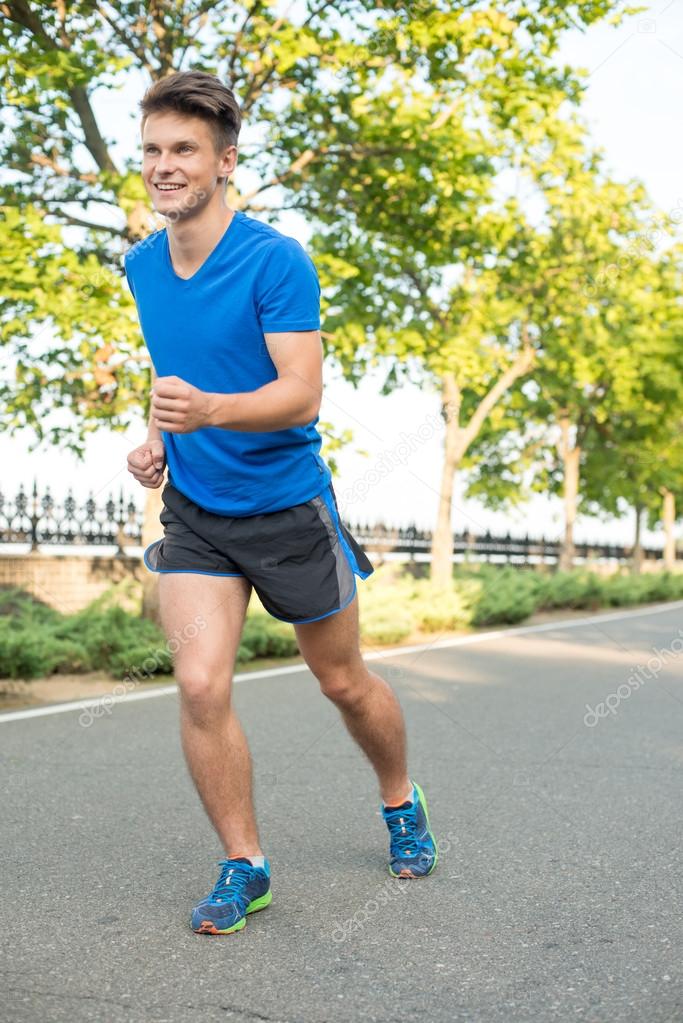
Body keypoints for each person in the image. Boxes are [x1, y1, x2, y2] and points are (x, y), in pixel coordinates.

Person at [124, 70, 437, 936]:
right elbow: (177, 371)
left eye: (183, 150)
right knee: (197, 681)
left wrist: (212, 410)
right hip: (197, 511)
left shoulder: (273, 259)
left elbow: (300, 394)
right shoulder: (143, 264)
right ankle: (244, 864)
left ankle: (400, 799)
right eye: (151, 149)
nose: (163, 166)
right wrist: (161, 435)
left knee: (340, 679)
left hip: (288, 506)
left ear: (224, 162)